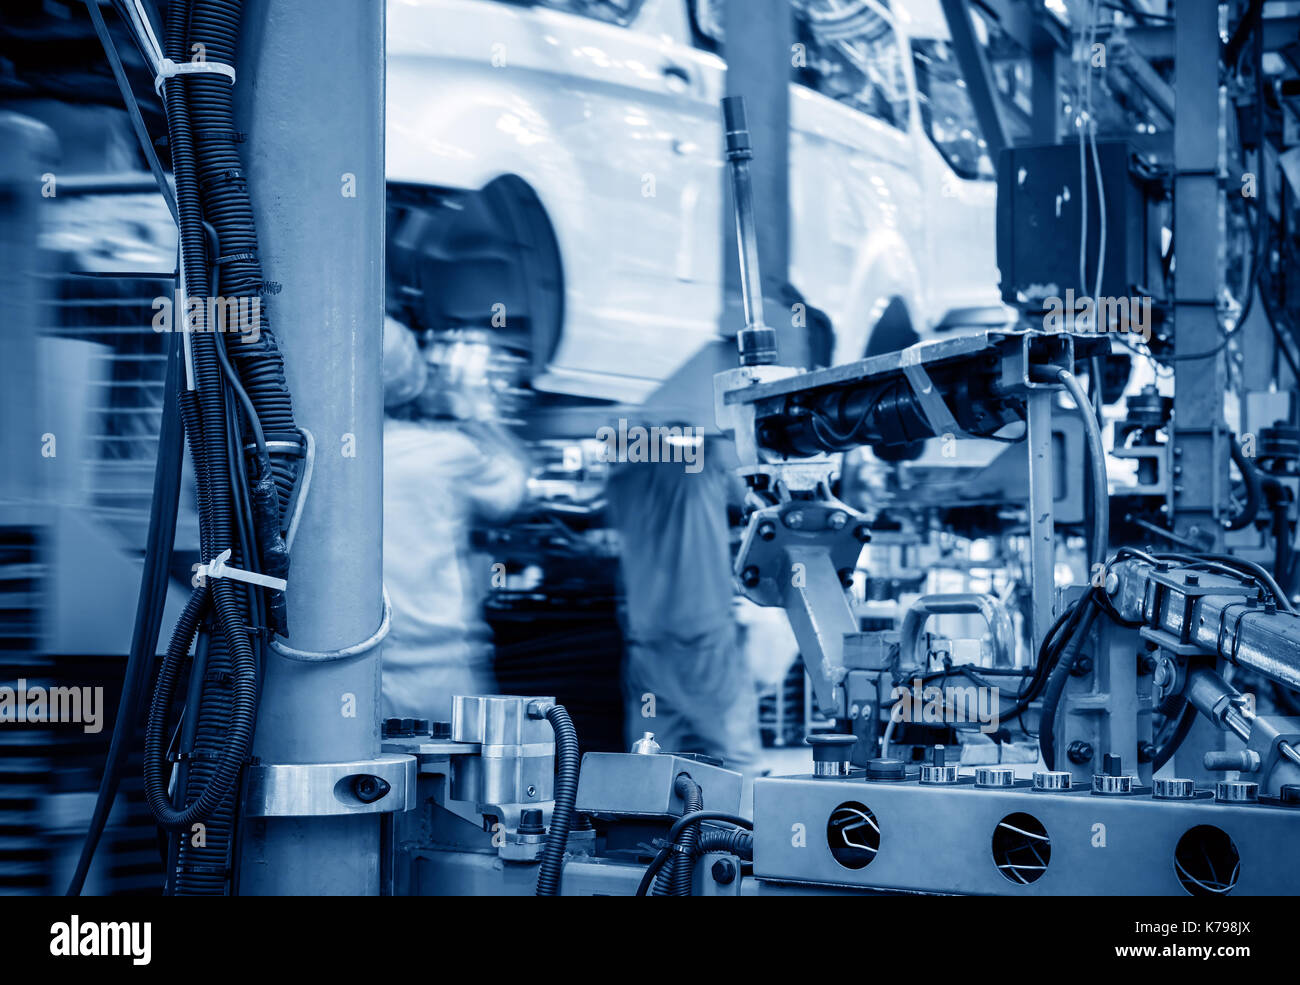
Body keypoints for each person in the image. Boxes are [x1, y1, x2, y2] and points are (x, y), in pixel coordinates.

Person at [380, 316, 529, 723]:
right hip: (438, 674)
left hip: (334, 672)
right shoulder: (445, 452)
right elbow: (511, 492)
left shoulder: (299, 457)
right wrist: (479, 409)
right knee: (446, 784)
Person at [604, 432, 759, 778]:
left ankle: (654, 827)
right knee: (733, 753)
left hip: (648, 638)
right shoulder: (700, 460)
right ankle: (742, 827)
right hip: (703, 635)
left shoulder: (622, 480)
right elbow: (745, 495)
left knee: (652, 754)